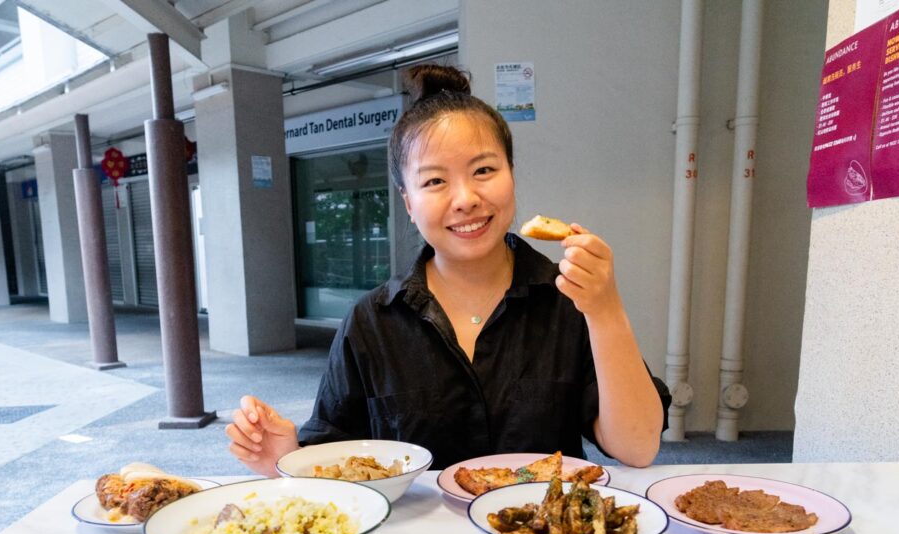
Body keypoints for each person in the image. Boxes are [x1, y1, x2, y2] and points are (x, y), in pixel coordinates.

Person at [226, 65, 671, 474]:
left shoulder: (568, 300)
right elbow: (339, 461)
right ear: (408, 202)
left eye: (483, 170)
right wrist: (287, 459)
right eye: (435, 181)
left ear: (511, 174)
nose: (465, 199)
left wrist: (605, 309)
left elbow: (637, 446)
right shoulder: (371, 322)